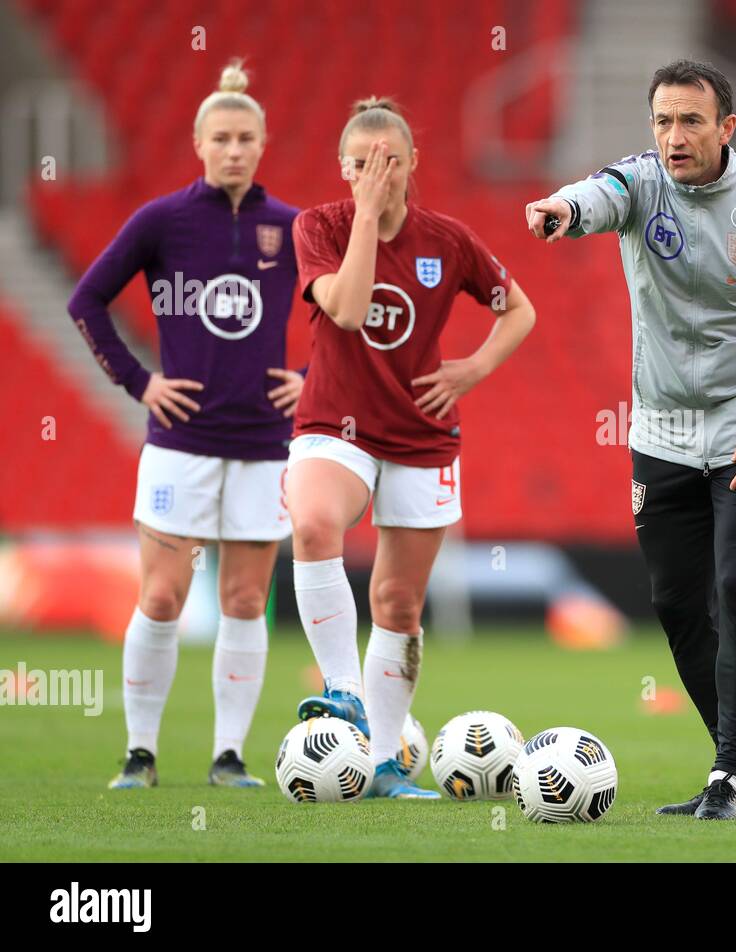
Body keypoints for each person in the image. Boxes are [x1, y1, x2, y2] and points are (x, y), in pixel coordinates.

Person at [526, 59, 736, 819]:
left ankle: (727, 773)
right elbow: (595, 195)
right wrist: (560, 211)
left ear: (726, 128)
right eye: (663, 121)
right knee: (674, 603)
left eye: (691, 121)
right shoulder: (640, 185)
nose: (674, 136)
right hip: (661, 432)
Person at [288, 97, 536, 798]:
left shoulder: (447, 241)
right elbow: (345, 307)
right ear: (343, 168)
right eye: (362, 163)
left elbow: (519, 309)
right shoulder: (322, 226)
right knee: (312, 525)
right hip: (334, 422)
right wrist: (366, 216)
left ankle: (387, 764)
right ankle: (342, 692)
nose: (377, 174)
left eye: (390, 161)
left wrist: (472, 367)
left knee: (397, 605)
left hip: (421, 434)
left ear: (413, 163)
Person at [68, 61, 304, 789]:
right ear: (199, 144)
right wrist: (140, 382)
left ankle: (228, 756)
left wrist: (313, 380)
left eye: (245, 138)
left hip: (265, 447)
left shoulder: (291, 227)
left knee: (241, 601)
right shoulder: (162, 221)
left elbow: (347, 313)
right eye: (221, 138)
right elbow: (86, 301)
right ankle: (140, 754)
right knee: (163, 597)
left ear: (262, 144)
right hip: (181, 446)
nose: (233, 150)